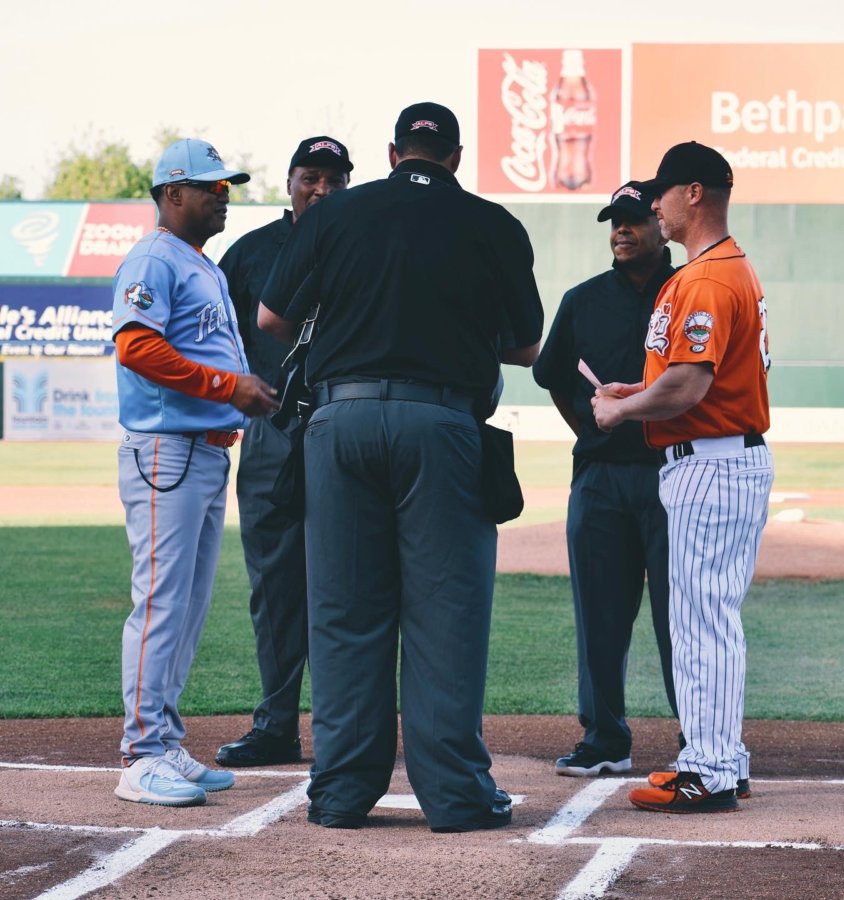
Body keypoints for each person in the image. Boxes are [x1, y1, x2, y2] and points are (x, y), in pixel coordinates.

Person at [258, 102, 544, 832]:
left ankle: (342, 794)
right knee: (442, 613)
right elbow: (524, 343)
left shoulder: (335, 214)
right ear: (453, 155)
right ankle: (453, 795)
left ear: (393, 154)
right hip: (441, 422)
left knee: (345, 615)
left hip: (340, 422)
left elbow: (273, 320)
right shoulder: (493, 224)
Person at [592, 142, 773, 813]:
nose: (654, 205)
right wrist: (636, 388)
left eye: (662, 192)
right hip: (718, 457)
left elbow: (690, 386)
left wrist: (620, 411)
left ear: (694, 193)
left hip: (712, 460)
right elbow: (687, 377)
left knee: (703, 620)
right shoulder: (722, 270)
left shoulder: (705, 279)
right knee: (704, 617)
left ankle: (711, 768)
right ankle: (721, 758)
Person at [112, 138, 279, 807]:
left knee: (185, 607)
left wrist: (238, 391)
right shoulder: (154, 257)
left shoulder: (197, 263)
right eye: (211, 185)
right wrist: (225, 385)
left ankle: (164, 740)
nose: (223, 194)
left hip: (203, 450)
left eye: (227, 184)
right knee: (160, 602)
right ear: (171, 193)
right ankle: (141, 752)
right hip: (167, 452)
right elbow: (136, 346)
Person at [533, 182, 681, 778]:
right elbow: (554, 378)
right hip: (599, 478)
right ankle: (604, 739)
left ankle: (698, 736)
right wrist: (593, 433)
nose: (620, 231)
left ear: (659, 222)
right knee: (600, 615)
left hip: (676, 475)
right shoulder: (584, 298)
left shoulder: (689, 292)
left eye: (632, 220)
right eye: (613, 222)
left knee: (684, 618)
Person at [214, 137, 353, 769]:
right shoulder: (250, 253)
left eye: (334, 178)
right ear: (290, 180)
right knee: (273, 584)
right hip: (273, 431)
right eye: (310, 176)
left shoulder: (365, 242)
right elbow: (218, 339)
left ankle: (346, 727)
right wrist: (236, 397)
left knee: (347, 581)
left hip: (340, 425)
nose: (321, 188)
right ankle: (274, 723)